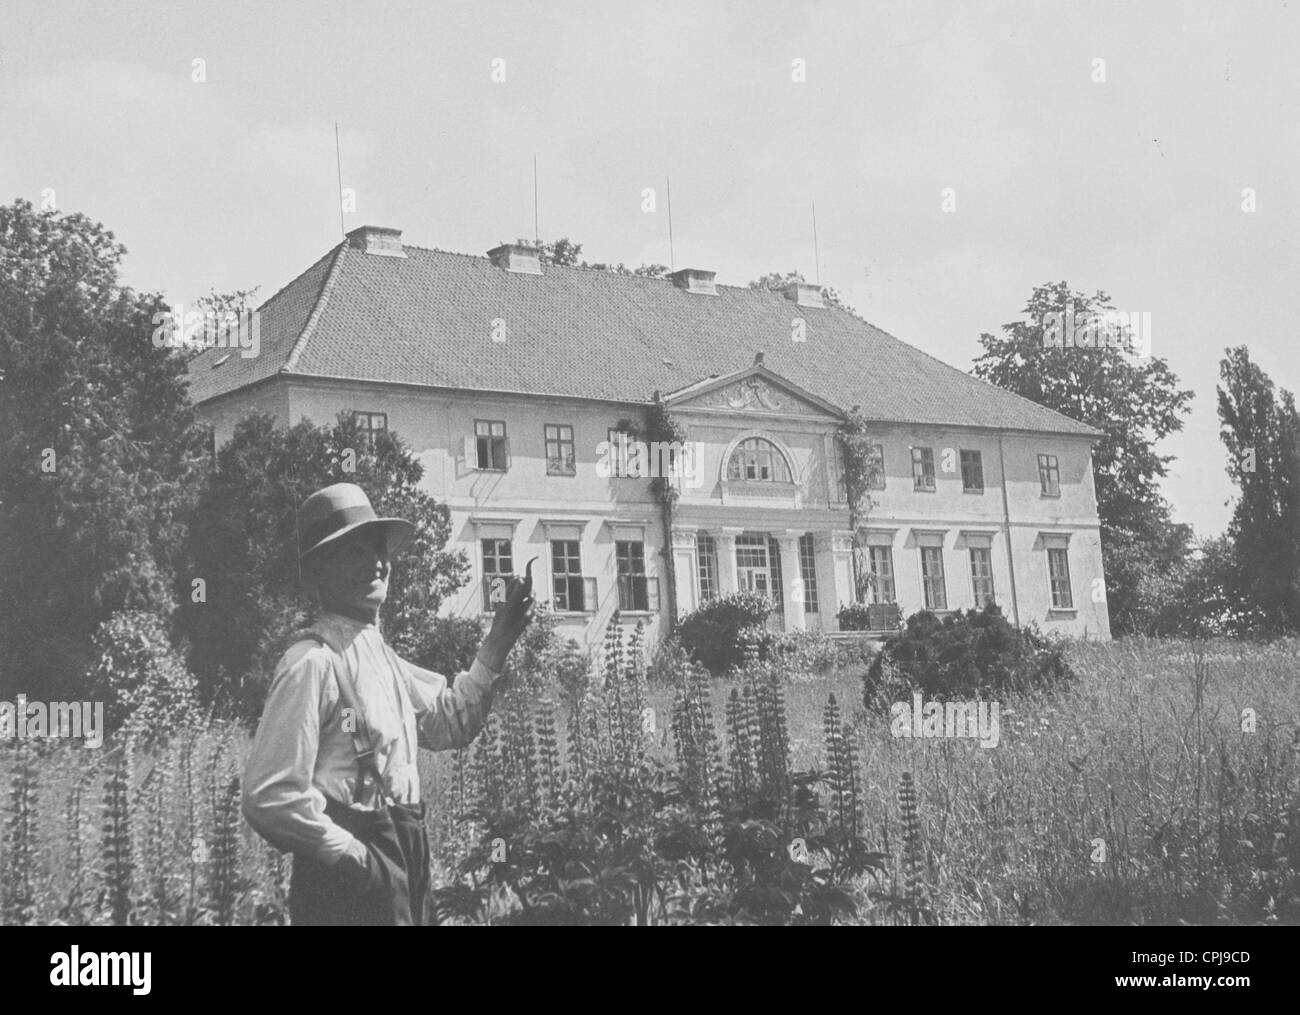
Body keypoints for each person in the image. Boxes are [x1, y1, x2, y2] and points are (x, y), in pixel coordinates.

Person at [241, 482, 533, 925]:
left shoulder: (385, 659)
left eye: (377, 548)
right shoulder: (311, 663)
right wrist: (350, 854)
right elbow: (269, 795)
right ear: (320, 570)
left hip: (404, 856)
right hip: (345, 886)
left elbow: (451, 722)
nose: (374, 562)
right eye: (352, 552)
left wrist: (498, 641)